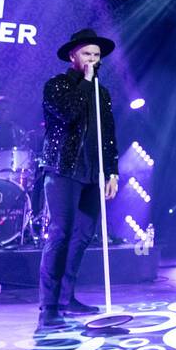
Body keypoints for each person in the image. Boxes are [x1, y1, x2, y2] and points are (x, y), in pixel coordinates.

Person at [37, 28, 119, 330]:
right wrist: (85, 83)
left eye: (97, 56)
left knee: (83, 236)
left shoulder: (103, 93)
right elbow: (68, 114)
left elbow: (108, 135)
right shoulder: (57, 86)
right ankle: (48, 306)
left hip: (92, 173)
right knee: (61, 233)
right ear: (73, 56)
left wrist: (112, 171)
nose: (93, 60)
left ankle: (66, 298)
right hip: (63, 169)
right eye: (87, 54)